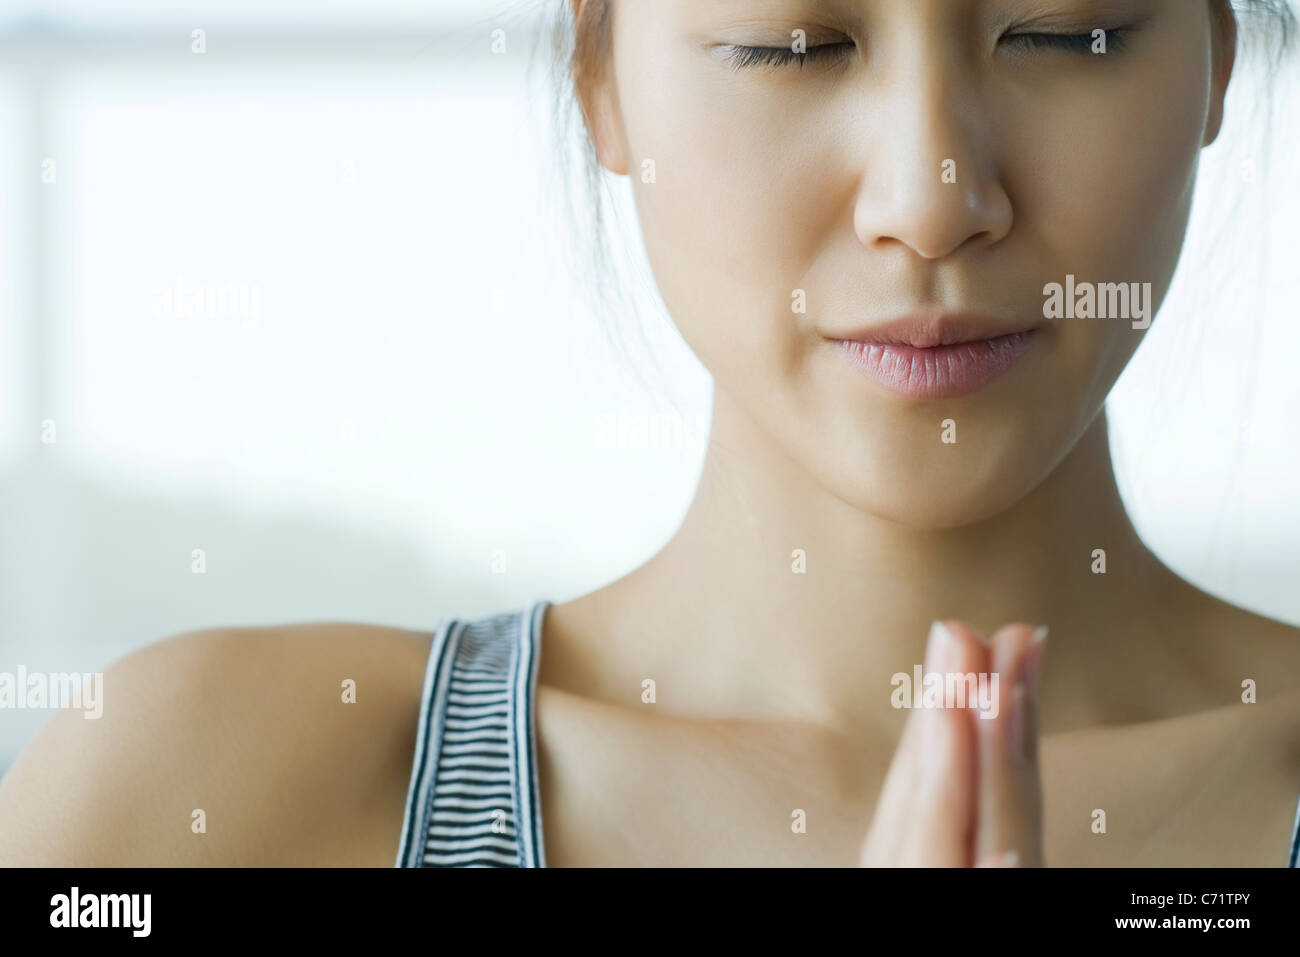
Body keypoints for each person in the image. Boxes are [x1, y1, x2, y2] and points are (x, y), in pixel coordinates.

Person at [3, 0, 1299, 867]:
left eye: (1070, 34)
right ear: (600, 75)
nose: (931, 199)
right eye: (791, 46)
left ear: (1219, 59)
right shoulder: (189, 800)